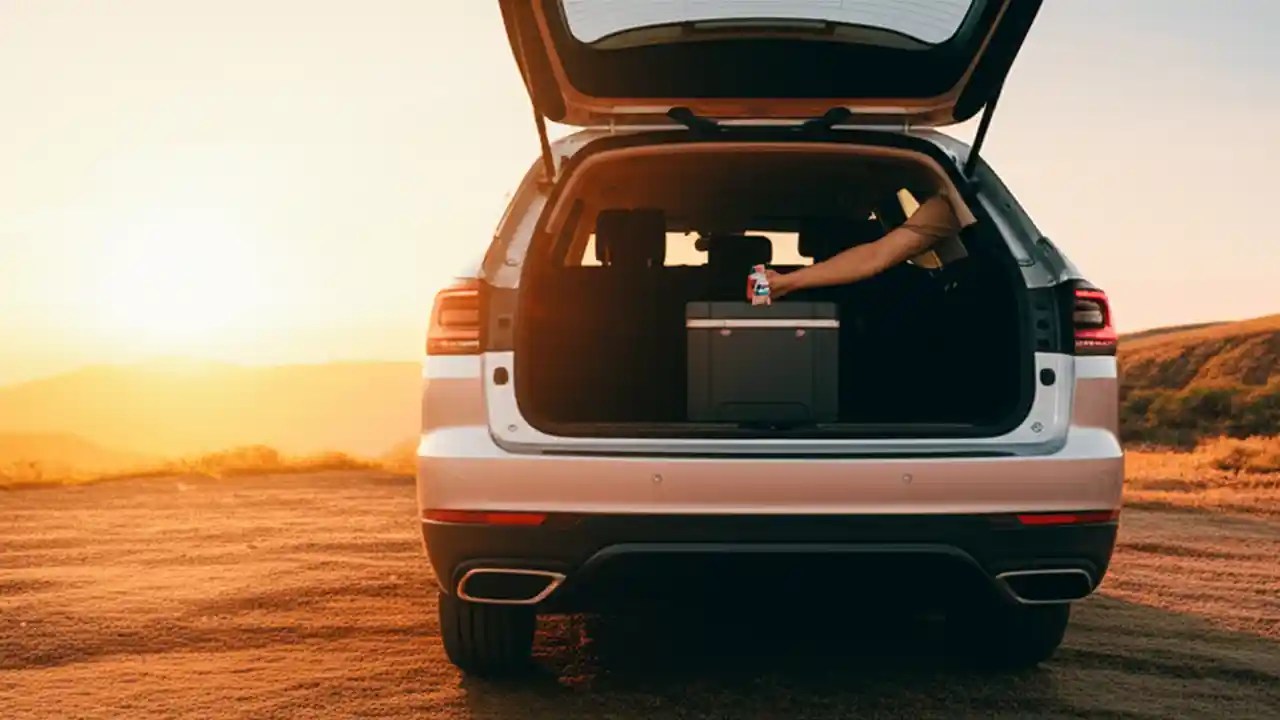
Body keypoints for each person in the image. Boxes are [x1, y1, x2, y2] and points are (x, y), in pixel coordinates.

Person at [760, 192, 964, 300]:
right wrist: (786, 282)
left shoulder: (949, 204)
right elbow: (875, 257)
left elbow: (875, 257)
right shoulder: (949, 204)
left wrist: (787, 282)